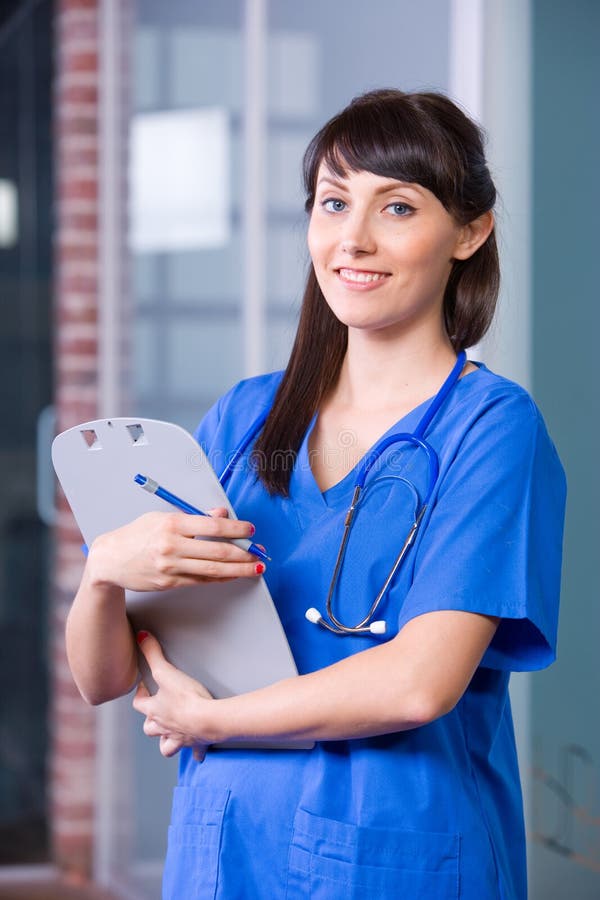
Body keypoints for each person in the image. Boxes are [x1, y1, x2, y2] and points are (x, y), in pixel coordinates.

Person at [66, 89, 566, 899]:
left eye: (397, 206)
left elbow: (418, 681)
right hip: (225, 852)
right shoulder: (246, 416)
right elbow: (104, 679)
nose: (353, 239)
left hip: (401, 855)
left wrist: (213, 722)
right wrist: (103, 576)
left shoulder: (491, 428)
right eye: (334, 203)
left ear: (470, 232)